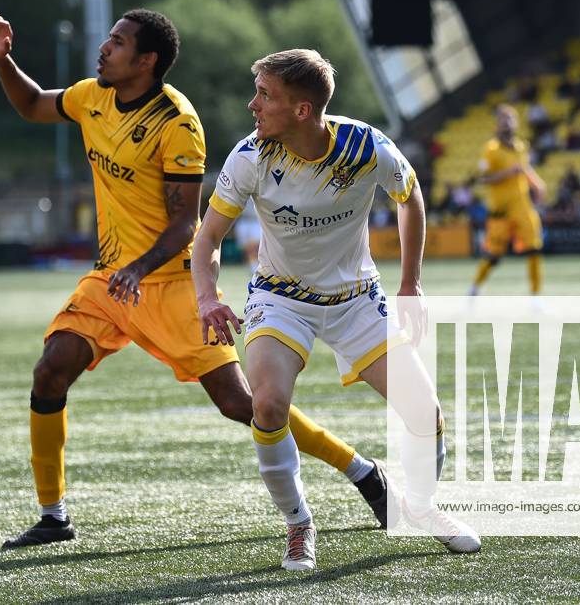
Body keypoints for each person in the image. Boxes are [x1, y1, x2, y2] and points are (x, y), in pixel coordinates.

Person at [0, 8, 391, 548]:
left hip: (170, 284)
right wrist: (2, 59)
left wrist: (139, 267)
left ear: (146, 60)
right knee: (50, 371)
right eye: (109, 39)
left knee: (242, 405)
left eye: (117, 42)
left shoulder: (178, 124)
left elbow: (185, 224)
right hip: (110, 283)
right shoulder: (91, 97)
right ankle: (54, 517)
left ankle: (361, 470)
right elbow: (33, 104)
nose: (104, 48)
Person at [193, 49, 480, 571]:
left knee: (425, 414)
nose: (251, 104)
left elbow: (410, 198)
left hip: (356, 302)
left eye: (265, 95)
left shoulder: (366, 147)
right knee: (269, 406)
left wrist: (411, 285)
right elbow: (208, 237)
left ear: (302, 110)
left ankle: (420, 506)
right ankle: (299, 524)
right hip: (280, 301)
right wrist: (208, 296)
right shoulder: (250, 156)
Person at [468, 104, 547, 296]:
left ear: (517, 122)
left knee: (534, 249)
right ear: (498, 124)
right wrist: (507, 173)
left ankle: (536, 298)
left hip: (522, 206)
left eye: (511, 119)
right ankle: (474, 289)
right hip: (500, 210)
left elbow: (524, 169)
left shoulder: (521, 146)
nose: (507, 123)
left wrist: (537, 184)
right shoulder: (491, 149)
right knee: (493, 256)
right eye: (503, 120)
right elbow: (483, 178)